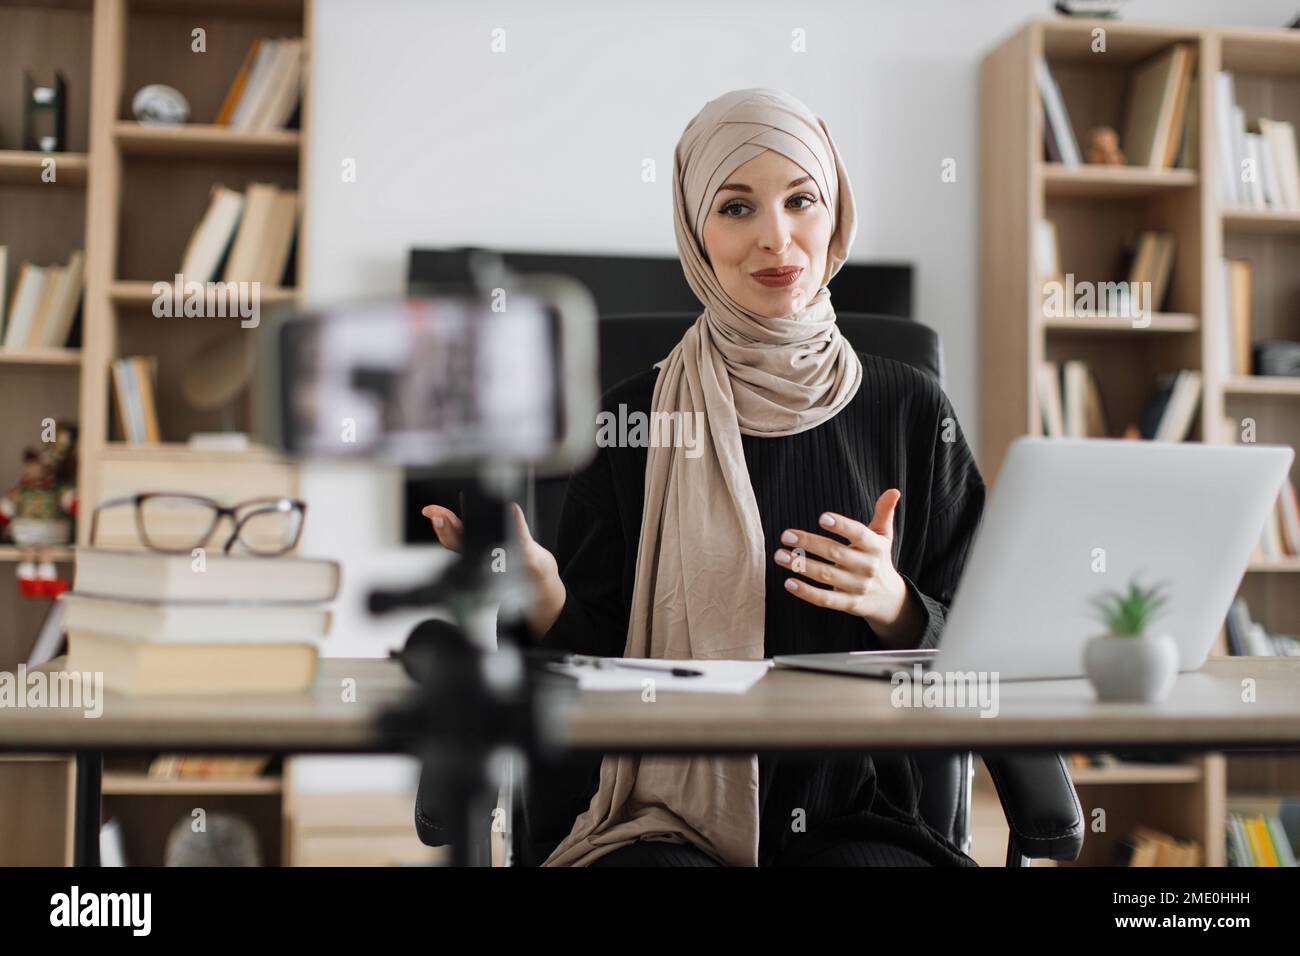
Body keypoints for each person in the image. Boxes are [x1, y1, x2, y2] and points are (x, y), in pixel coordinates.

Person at [423, 88, 985, 867]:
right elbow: (588, 675)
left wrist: (897, 606)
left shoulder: (914, 410)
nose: (777, 239)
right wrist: (542, 591)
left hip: (851, 813)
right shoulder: (630, 418)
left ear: (837, 215)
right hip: (660, 816)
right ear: (695, 231)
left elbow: (989, 643)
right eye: (736, 208)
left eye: (802, 200)